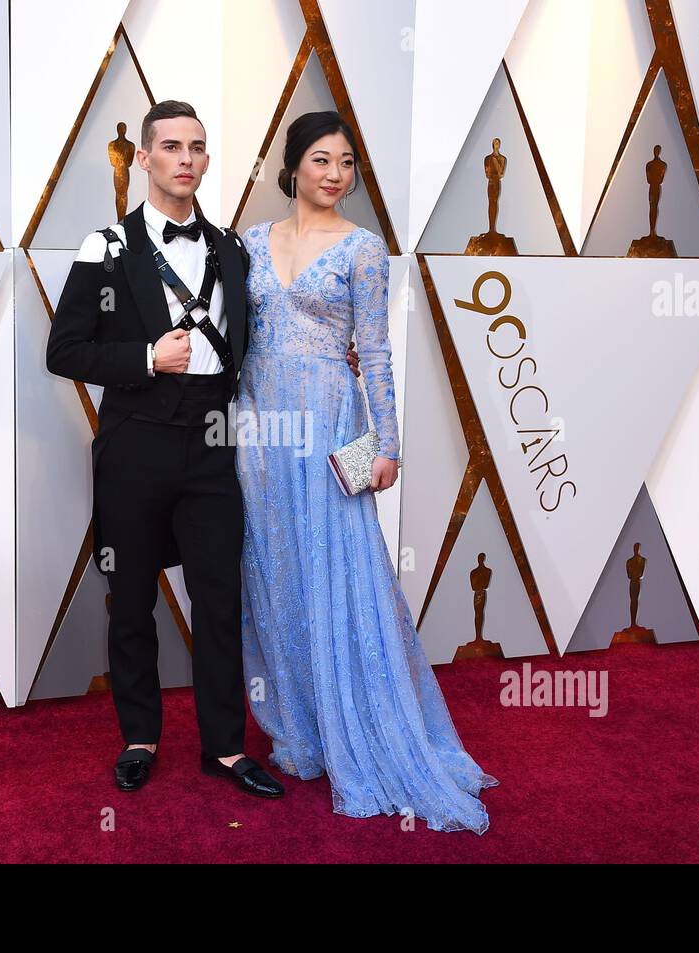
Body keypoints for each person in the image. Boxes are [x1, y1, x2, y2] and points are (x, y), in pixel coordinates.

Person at [47, 101, 359, 797]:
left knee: (220, 599)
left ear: (207, 160)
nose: (185, 158)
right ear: (147, 160)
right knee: (129, 598)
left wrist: (337, 361)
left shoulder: (232, 248)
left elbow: (274, 326)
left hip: (219, 445)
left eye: (196, 147)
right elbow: (63, 348)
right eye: (171, 147)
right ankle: (139, 736)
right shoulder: (106, 245)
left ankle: (224, 747)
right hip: (135, 443)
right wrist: (145, 355)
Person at [237, 111, 500, 833]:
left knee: (342, 571)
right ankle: (303, 732)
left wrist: (386, 446)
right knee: (275, 573)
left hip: (333, 424)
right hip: (260, 432)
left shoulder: (364, 248)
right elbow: (237, 343)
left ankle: (367, 729)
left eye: (347, 162)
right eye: (321, 159)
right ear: (291, 166)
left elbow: (377, 353)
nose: (335, 174)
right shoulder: (251, 242)